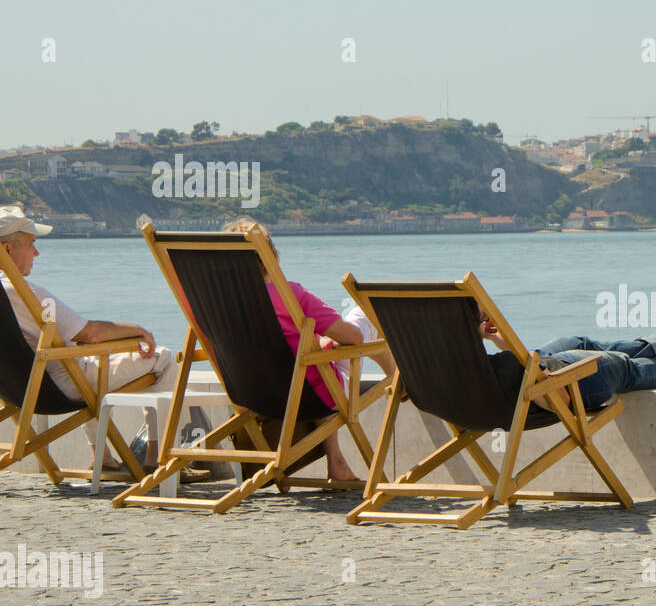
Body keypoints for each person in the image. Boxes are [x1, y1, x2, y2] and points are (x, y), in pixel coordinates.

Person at [0, 205, 204, 476]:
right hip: (62, 386)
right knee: (163, 359)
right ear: (6, 249)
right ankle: (158, 461)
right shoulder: (24, 293)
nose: (37, 252)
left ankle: (104, 457)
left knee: (82, 360)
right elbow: (90, 333)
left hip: (17, 389)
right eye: (31, 244)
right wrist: (138, 330)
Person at [220, 217, 395, 481]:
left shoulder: (223, 306)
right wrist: (328, 343)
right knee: (365, 317)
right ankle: (399, 380)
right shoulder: (292, 296)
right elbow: (353, 336)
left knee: (316, 358)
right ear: (270, 256)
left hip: (253, 396)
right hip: (313, 396)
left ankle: (337, 464)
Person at [478, 309, 656, 411]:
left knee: (576, 342)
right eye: (480, 318)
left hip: (526, 370)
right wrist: (545, 376)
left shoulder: (451, 372)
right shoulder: (467, 373)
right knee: (619, 366)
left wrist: (503, 344)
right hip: (545, 386)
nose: (486, 319)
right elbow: (559, 400)